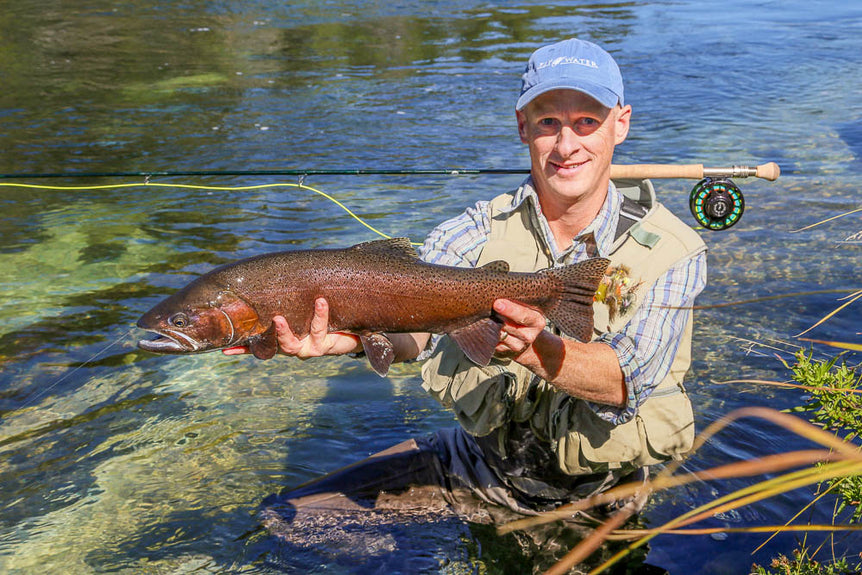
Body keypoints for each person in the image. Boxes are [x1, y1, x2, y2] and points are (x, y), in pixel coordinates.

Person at [230, 37, 707, 560]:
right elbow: (416, 327)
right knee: (289, 520)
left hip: (599, 496)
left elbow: (625, 379)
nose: (567, 145)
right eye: (548, 122)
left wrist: (532, 348)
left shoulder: (673, 251)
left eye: (586, 122)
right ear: (523, 127)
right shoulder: (472, 231)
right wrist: (348, 339)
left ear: (621, 123)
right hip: (477, 465)